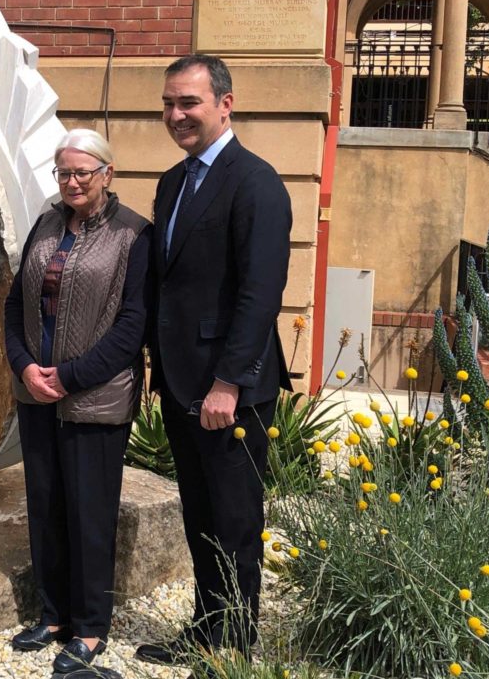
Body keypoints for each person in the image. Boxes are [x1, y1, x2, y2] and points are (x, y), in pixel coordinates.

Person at [136, 54, 292, 668]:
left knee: (233, 520)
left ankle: (234, 647)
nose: (177, 115)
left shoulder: (256, 182)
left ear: (225, 104)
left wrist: (228, 382)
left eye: (189, 103)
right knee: (200, 516)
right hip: (181, 381)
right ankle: (207, 630)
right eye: (169, 103)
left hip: (231, 388)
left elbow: (260, 294)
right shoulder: (174, 183)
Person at [4, 128, 151, 674]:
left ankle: (90, 627)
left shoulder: (134, 235)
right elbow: (15, 301)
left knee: (90, 513)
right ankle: (54, 614)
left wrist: (67, 376)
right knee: (45, 505)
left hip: (95, 398)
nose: (71, 182)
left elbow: (131, 326)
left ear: (107, 174)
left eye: (82, 173)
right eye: (63, 172)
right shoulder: (45, 224)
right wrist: (23, 365)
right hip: (37, 394)